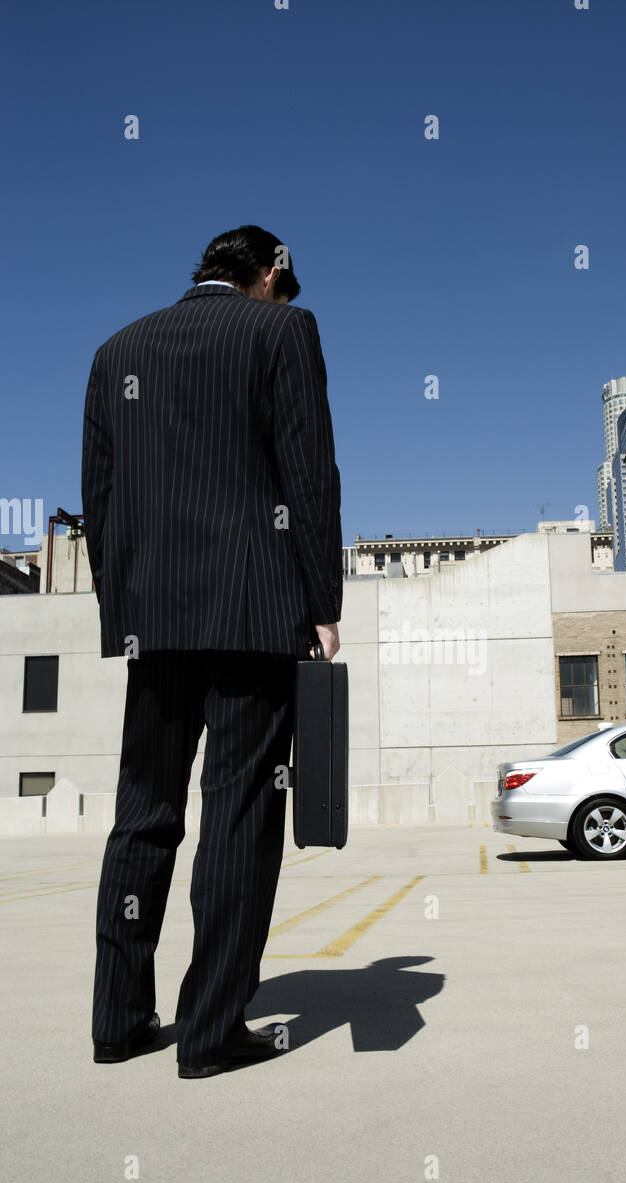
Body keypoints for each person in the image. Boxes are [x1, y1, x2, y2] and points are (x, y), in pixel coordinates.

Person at [82, 225, 342, 1078]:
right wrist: (321, 601)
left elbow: (101, 495)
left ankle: (118, 1024)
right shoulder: (281, 333)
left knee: (144, 813)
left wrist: (123, 608)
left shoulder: (117, 347)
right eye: (285, 286)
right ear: (272, 273)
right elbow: (307, 473)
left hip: (149, 624)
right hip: (254, 611)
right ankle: (211, 1032)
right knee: (239, 814)